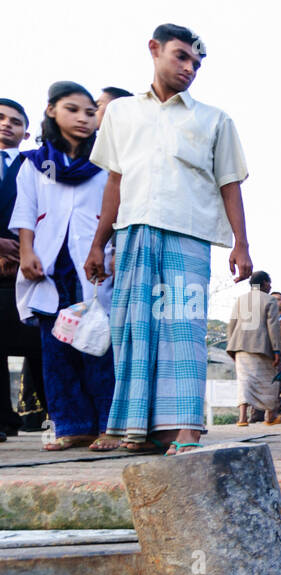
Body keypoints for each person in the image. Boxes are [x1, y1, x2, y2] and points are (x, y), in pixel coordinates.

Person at [85, 23, 252, 455]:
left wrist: (241, 244)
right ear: (154, 50)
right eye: (181, 57)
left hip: (188, 234)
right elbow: (115, 183)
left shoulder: (214, 119)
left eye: (196, 63)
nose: (189, 68)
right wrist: (98, 243)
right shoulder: (121, 113)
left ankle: (185, 432)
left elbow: (230, 183)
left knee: (183, 328)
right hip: (133, 232)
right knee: (133, 330)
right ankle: (135, 429)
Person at [11, 82, 117, 452]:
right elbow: (25, 211)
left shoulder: (106, 162)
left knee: (97, 345)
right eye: (73, 109)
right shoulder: (34, 163)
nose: (84, 118)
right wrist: (27, 251)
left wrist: (108, 252)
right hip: (49, 265)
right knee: (55, 349)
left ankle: (108, 426)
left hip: (93, 264)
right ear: (52, 110)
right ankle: (71, 426)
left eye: (90, 112)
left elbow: (115, 213)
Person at [0, 97, 44, 440]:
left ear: (26, 132)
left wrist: (24, 250)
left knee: (39, 341)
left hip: (26, 264)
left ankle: (57, 414)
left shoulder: (37, 166)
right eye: (0, 118)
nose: (6, 125)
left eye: (15, 121)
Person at [226, 269, 281, 426]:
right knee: (269, 380)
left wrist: (231, 347)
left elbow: (232, 323)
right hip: (261, 347)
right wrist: (276, 349)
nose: (270, 286)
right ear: (264, 283)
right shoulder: (269, 300)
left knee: (244, 381)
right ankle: (269, 416)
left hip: (239, 346)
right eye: (269, 282)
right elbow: (273, 326)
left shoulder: (240, 299)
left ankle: (242, 418)